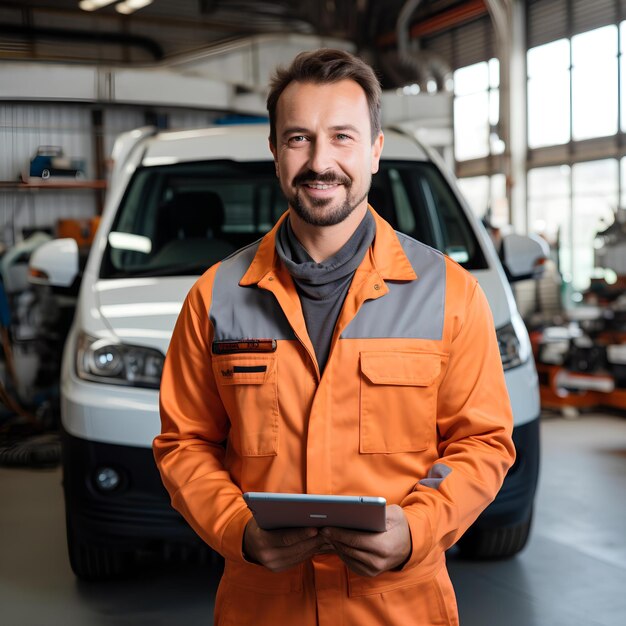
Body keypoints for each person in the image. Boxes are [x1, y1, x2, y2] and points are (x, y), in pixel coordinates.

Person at [154, 48, 516, 626]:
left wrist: (417, 530)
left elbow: (482, 444)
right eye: (298, 138)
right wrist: (238, 531)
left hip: (399, 606)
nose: (321, 161)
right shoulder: (214, 296)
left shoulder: (449, 293)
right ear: (274, 152)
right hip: (263, 606)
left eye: (342, 137)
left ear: (375, 149)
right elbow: (185, 444)